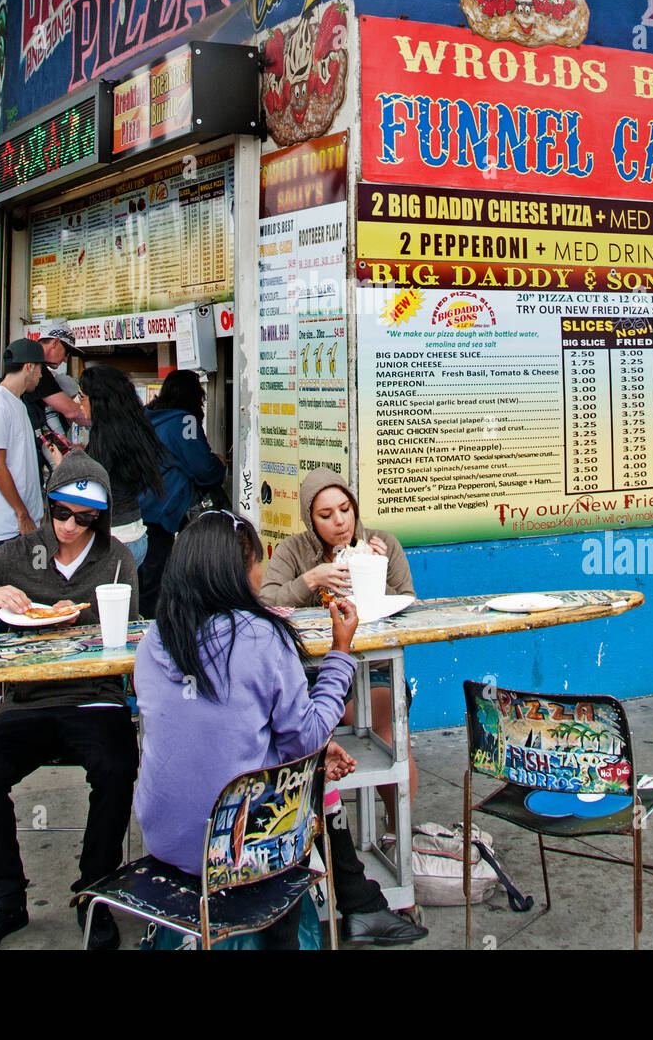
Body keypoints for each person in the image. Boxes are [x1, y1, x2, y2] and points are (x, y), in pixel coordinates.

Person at [133, 511, 427, 947]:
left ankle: (359, 901)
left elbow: (213, 728)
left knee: (310, 765)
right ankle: (355, 904)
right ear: (238, 571)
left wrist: (311, 751)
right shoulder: (260, 635)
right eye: (257, 561)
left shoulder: (152, 641)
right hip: (245, 848)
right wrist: (340, 651)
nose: (261, 572)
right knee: (311, 774)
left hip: (167, 839)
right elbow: (306, 737)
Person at [0, 452, 140, 952]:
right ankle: (5, 898)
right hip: (26, 698)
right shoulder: (18, 554)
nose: (70, 526)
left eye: (84, 518)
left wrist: (83, 622)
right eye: (61, 512)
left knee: (117, 766)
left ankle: (95, 889)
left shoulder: (117, 559)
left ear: (100, 518)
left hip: (94, 695)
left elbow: (129, 634)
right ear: (49, 506)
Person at [261, 467, 419, 836]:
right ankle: (314, 831)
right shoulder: (293, 551)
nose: (340, 522)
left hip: (373, 665)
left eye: (345, 510)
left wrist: (378, 573)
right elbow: (266, 602)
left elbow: (407, 602)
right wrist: (310, 579)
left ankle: (398, 831)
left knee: (389, 731)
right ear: (310, 519)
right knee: (312, 727)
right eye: (326, 515)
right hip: (311, 671)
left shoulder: (382, 543)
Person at [0, 338, 47, 702]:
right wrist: (21, 513)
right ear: (29, 367)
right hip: (6, 524)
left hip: (22, 522)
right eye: (41, 369)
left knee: (16, 600)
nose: (41, 377)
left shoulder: (15, 404)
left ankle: (4, 671)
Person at [137, 369, 226, 617]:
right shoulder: (183, 421)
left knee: (146, 580)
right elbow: (203, 468)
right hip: (162, 511)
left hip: (139, 510)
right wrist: (219, 464)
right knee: (156, 583)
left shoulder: (146, 417)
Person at [67, 364, 165, 573]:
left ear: (99, 400)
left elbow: (88, 492)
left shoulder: (104, 439)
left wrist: (63, 466)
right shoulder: (130, 431)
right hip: (134, 533)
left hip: (111, 539)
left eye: (81, 396)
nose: (78, 402)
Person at [23, 320, 88, 440]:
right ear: (55, 343)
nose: (65, 360)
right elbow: (72, 411)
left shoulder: (27, 359)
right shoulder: (37, 368)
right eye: (66, 353)